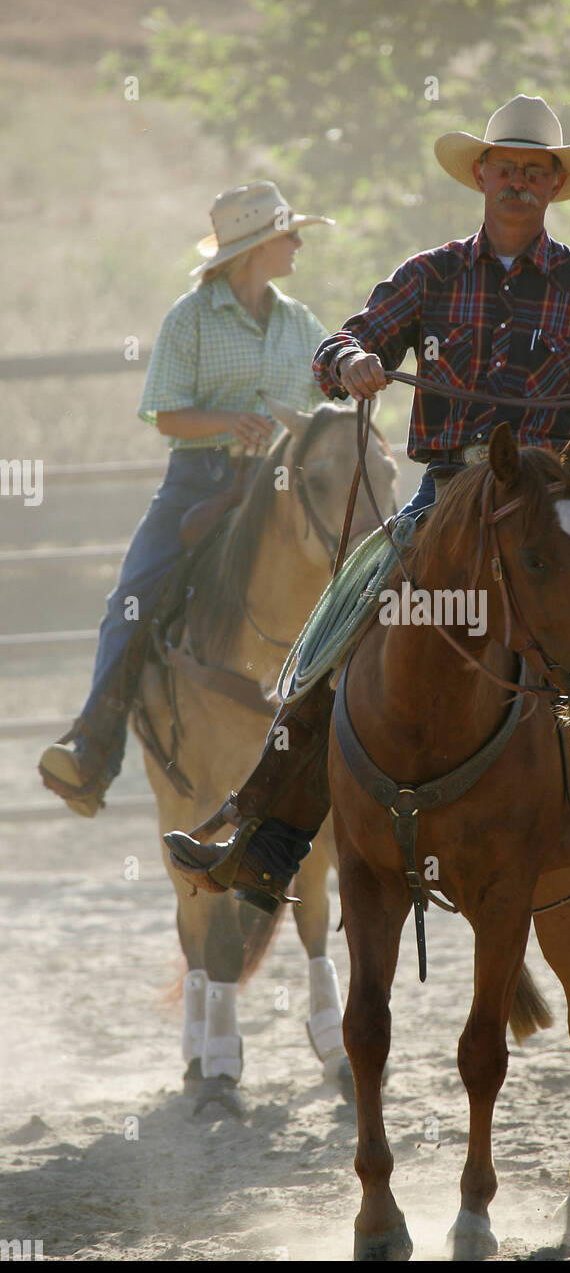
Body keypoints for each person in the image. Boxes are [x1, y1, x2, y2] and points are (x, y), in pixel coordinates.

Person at [165, 95, 570, 907]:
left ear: (555, 185)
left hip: (550, 506)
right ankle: (269, 834)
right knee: (334, 633)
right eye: (506, 168)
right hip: (446, 495)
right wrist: (350, 362)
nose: (518, 182)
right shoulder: (431, 275)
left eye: (535, 171)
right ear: (481, 176)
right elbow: (341, 344)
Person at [38, 181, 334, 816]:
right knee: (131, 601)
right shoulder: (190, 318)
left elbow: (322, 403)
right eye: (289, 234)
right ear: (257, 248)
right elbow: (166, 415)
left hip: (281, 486)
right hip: (199, 480)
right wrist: (231, 421)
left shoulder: (301, 322)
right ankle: (93, 747)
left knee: (360, 578)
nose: (299, 243)